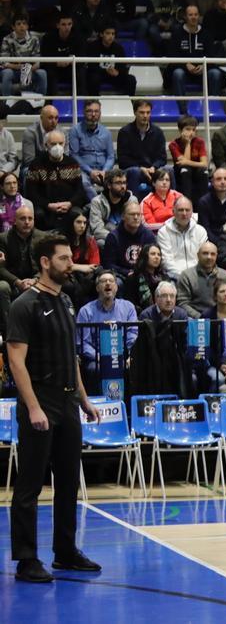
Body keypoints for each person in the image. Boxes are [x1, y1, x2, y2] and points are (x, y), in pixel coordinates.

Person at [8, 236, 102, 583]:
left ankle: (65, 552)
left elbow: (70, 357)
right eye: (63, 258)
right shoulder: (24, 304)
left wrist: (84, 399)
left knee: (68, 482)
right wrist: (33, 407)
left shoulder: (65, 301)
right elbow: (16, 361)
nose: (70, 263)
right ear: (45, 262)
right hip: (40, 401)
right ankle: (26, 559)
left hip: (66, 403)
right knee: (30, 484)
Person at [75, 269, 138, 388]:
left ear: (116, 287)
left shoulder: (128, 307)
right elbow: (83, 342)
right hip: (96, 358)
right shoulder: (86, 311)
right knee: (94, 369)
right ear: (97, 288)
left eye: (111, 281)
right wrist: (101, 357)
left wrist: (130, 355)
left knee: (135, 367)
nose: (108, 283)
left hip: (123, 355)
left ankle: (129, 404)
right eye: (103, 281)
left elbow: (132, 335)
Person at [24, 131, 86, 232]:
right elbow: (32, 193)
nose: (57, 147)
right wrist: (48, 205)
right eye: (53, 144)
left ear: (65, 144)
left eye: (60, 143)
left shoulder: (72, 163)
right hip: (45, 208)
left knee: (77, 214)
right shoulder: (36, 164)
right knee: (38, 214)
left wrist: (70, 203)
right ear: (46, 145)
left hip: (68, 206)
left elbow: (80, 191)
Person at [117, 101, 167, 198]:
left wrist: (154, 167)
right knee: (135, 171)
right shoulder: (125, 132)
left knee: (168, 171)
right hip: (133, 170)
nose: (145, 115)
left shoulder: (158, 132)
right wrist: (141, 168)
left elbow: (162, 157)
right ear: (135, 112)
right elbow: (123, 159)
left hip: (152, 170)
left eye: (148, 112)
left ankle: (169, 206)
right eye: (142, 112)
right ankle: (132, 206)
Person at [68, 101, 114, 200]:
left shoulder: (106, 132)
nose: (93, 114)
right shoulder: (75, 131)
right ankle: (97, 205)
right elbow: (74, 155)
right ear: (84, 112)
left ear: (100, 113)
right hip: (84, 171)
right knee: (83, 182)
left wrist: (104, 171)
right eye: (89, 111)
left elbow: (110, 156)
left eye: (96, 111)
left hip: (103, 171)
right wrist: (90, 171)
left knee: (117, 182)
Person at [156, 196, 207, 280]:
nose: (184, 213)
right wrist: (184, 277)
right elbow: (166, 261)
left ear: (192, 212)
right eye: (180, 210)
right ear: (173, 211)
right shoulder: (163, 232)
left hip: (198, 275)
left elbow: (203, 257)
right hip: (173, 277)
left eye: (187, 210)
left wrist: (194, 275)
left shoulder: (200, 231)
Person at [176, 241, 226, 318]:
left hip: (218, 317)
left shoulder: (224, 275)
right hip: (195, 319)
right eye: (205, 253)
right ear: (198, 255)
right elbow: (182, 303)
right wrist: (202, 318)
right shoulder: (186, 275)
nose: (209, 257)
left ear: (216, 256)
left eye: (212, 254)